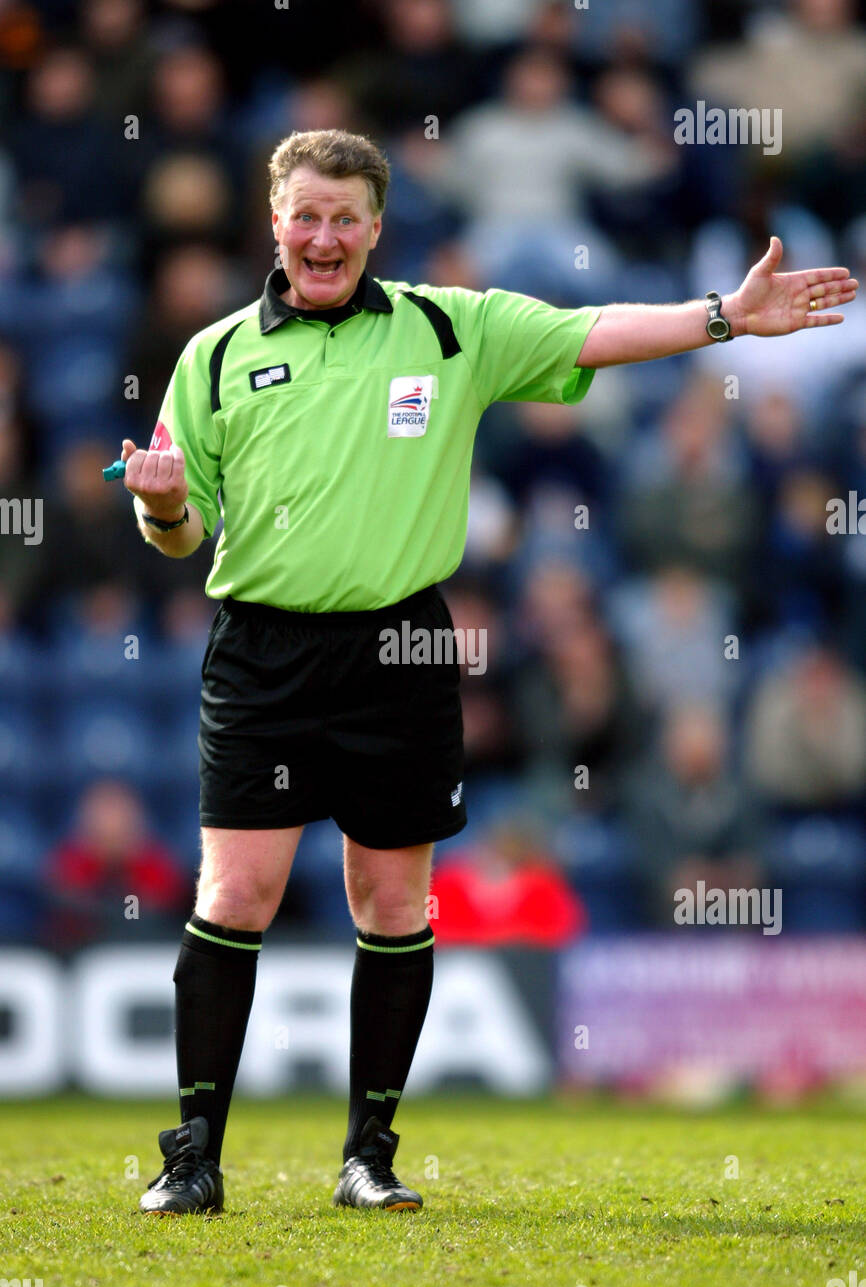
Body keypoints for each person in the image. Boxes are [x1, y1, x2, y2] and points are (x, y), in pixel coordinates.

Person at [119, 127, 857, 1217]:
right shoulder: (215, 356)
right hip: (260, 652)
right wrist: (165, 503)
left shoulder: (445, 328)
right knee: (236, 891)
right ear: (274, 224)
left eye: (344, 217)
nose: (323, 236)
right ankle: (192, 1159)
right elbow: (178, 535)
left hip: (400, 650)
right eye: (305, 215)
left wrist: (720, 318)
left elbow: (589, 329)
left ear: (375, 228)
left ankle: (368, 1155)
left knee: (391, 899)